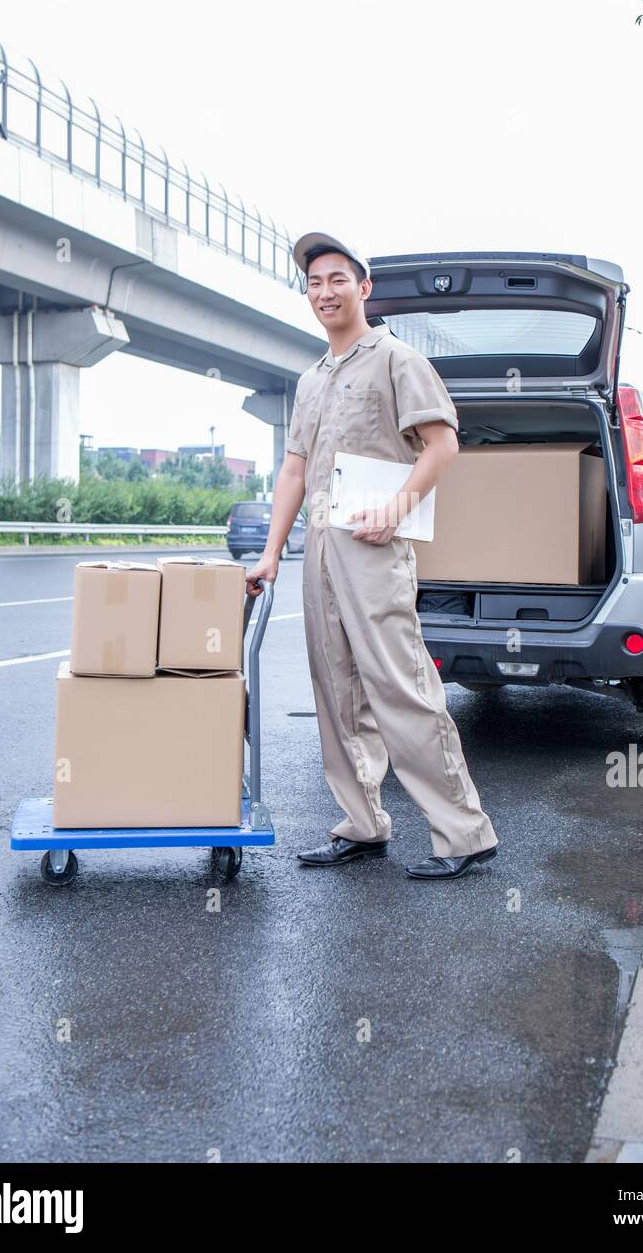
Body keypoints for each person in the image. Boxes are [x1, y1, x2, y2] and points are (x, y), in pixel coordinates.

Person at [245, 230, 498, 881]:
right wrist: (272, 553)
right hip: (323, 546)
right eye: (314, 283)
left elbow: (441, 444)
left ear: (364, 288)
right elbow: (295, 471)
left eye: (337, 279)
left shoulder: (395, 359)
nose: (325, 292)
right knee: (335, 686)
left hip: (375, 546)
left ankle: (463, 833)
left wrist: (398, 507)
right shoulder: (311, 380)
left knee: (399, 685)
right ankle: (361, 824)